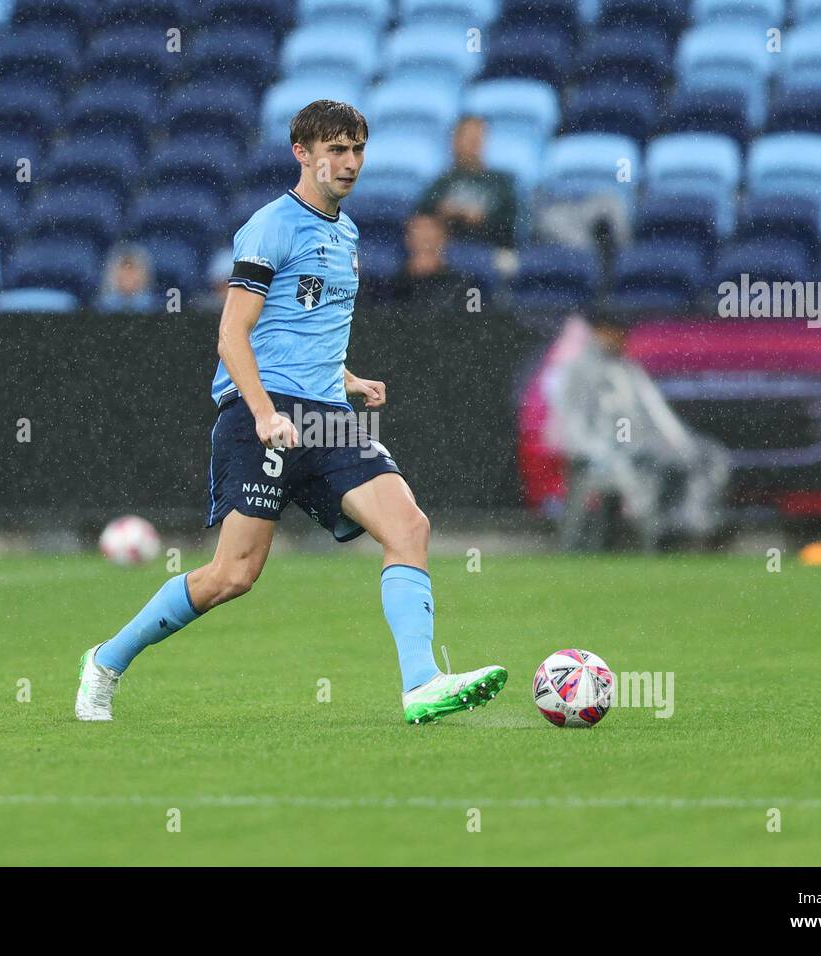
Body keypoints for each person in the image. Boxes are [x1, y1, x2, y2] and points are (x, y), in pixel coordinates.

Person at [75, 100, 507, 725]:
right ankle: (106, 661)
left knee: (409, 528)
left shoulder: (347, 233)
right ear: (302, 153)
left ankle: (421, 683)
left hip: (326, 416)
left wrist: (349, 377)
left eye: (358, 149)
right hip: (265, 417)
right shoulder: (270, 227)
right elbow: (232, 336)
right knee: (233, 575)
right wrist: (263, 413)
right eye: (336, 149)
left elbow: (303, 331)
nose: (350, 162)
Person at [551, 309, 731, 550]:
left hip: (647, 446)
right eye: (616, 333)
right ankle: (657, 536)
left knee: (711, 457)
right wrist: (603, 451)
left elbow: (658, 413)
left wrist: (681, 443)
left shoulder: (630, 369)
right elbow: (573, 423)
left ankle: (692, 527)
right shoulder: (577, 370)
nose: (621, 339)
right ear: (600, 332)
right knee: (638, 472)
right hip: (607, 452)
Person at [416, 115, 517, 252]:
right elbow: (420, 217)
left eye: (477, 137)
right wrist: (443, 214)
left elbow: (511, 226)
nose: (472, 143)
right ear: (454, 141)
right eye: (467, 137)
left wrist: (483, 219)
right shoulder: (442, 182)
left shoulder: (500, 182)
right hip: (446, 250)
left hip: (489, 249)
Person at [392, 213, 475, 307]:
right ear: (407, 240)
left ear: (443, 239)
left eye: (429, 233)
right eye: (419, 231)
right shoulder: (392, 285)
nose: (424, 236)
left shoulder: (460, 285)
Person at [96, 243, 160, 313]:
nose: (128, 277)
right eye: (124, 271)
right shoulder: (104, 305)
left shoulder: (152, 306)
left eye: (132, 271)